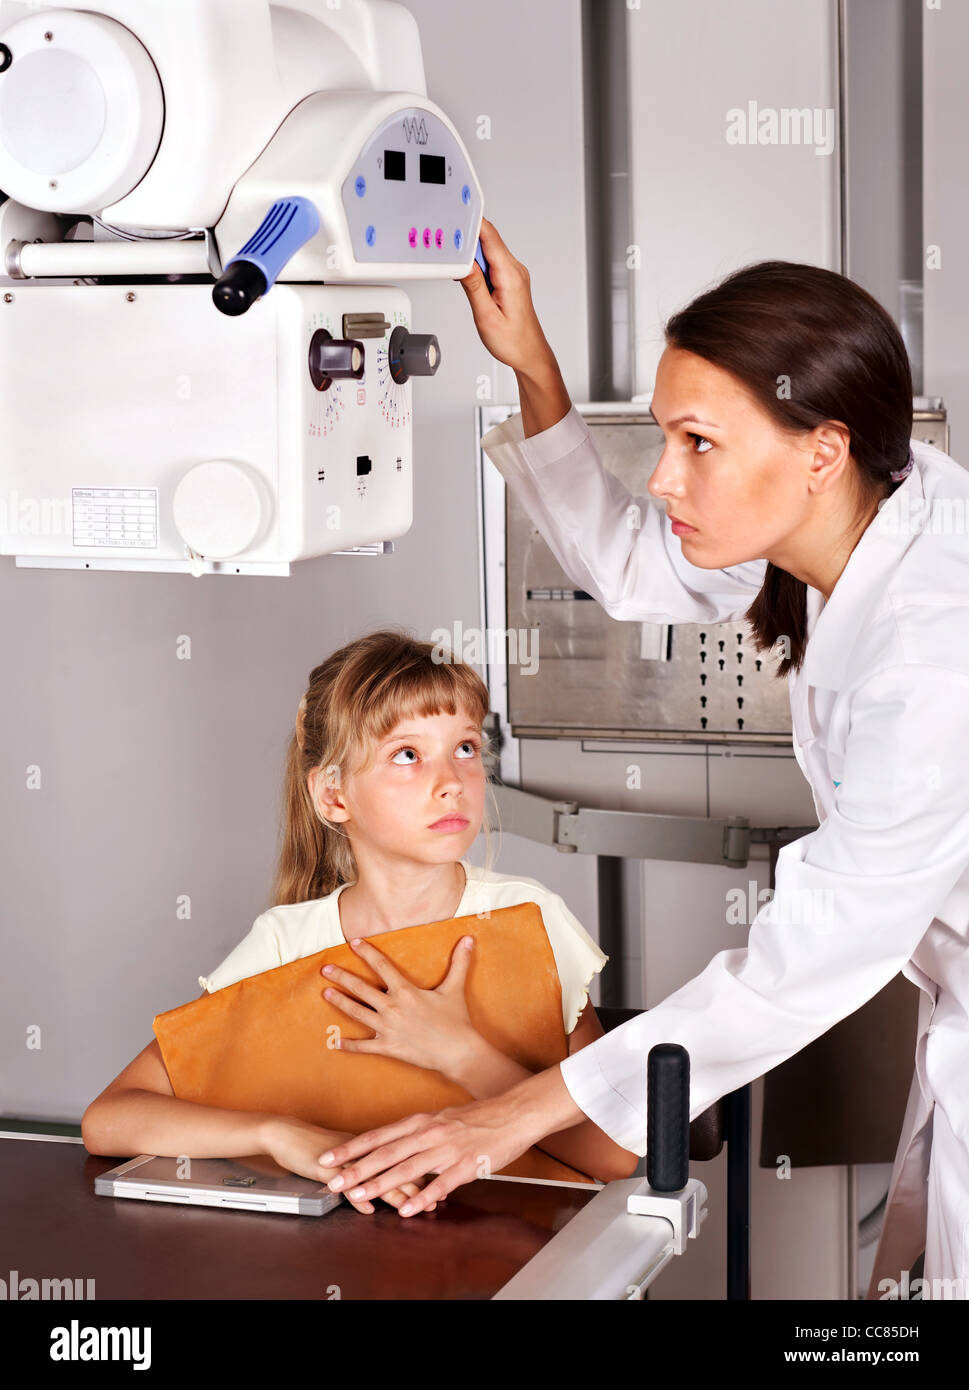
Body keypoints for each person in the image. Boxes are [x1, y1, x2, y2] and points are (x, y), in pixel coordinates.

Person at [316, 219, 969, 1298]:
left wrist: (504, 1117)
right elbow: (632, 568)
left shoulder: (932, 651)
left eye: (698, 444)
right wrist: (530, 361)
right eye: (667, 438)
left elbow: (798, 965)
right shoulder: (878, 494)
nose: (664, 477)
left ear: (821, 447)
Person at [81, 628, 638, 1207]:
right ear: (333, 796)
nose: (451, 783)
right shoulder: (284, 945)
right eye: (407, 755)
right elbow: (109, 1120)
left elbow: (611, 1156)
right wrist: (280, 1136)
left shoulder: (531, 920)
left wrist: (461, 1054)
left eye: (465, 749)